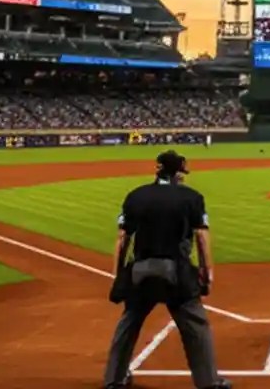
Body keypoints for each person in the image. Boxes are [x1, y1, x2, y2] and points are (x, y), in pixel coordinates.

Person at [102, 150, 230, 389]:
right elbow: (201, 237)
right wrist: (206, 271)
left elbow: (123, 238)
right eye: (182, 172)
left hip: (140, 270)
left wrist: (120, 275)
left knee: (129, 323)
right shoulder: (191, 197)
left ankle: (114, 379)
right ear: (177, 173)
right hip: (175, 273)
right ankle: (208, 382)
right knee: (195, 324)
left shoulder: (135, 196)